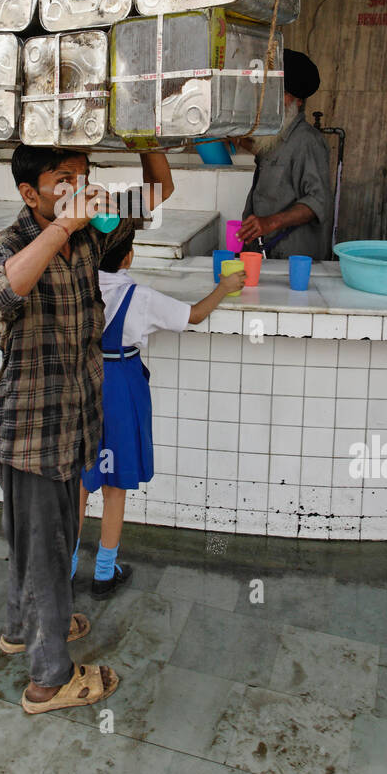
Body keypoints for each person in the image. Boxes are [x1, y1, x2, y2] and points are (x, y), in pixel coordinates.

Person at [0, 143, 173, 715]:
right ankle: (48, 680)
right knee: (46, 550)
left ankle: (24, 627)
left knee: (38, 541)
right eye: (62, 179)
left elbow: (158, 193)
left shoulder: (91, 236)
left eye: (83, 177)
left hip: (77, 419)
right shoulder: (12, 243)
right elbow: (3, 288)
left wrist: (148, 140)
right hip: (31, 427)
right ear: (28, 193)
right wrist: (64, 226)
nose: (77, 187)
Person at [76, 230, 247, 597]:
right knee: (115, 485)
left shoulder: (76, 283)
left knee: (79, 484)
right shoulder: (139, 298)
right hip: (121, 387)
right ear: (128, 257)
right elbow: (196, 315)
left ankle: (66, 568)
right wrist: (225, 285)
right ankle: (104, 574)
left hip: (83, 384)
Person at [235, 48, 332, 259]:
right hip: (263, 253)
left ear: (298, 101)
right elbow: (268, 155)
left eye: (281, 94)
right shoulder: (276, 137)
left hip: (291, 258)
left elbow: (319, 201)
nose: (272, 101)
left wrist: (270, 222)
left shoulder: (308, 141)